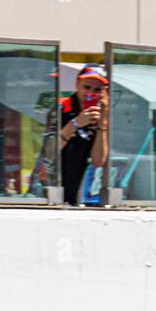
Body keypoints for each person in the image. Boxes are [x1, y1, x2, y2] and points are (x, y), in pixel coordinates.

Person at [57, 64, 110, 205]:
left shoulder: (101, 115)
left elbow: (98, 161)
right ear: (77, 84)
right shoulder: (62, 106)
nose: (90, 93)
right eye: (87, 87)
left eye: (97, 90)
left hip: (78, 190)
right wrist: (75, 123)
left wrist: (102, 122)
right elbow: (50, 149)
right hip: (53, 185)